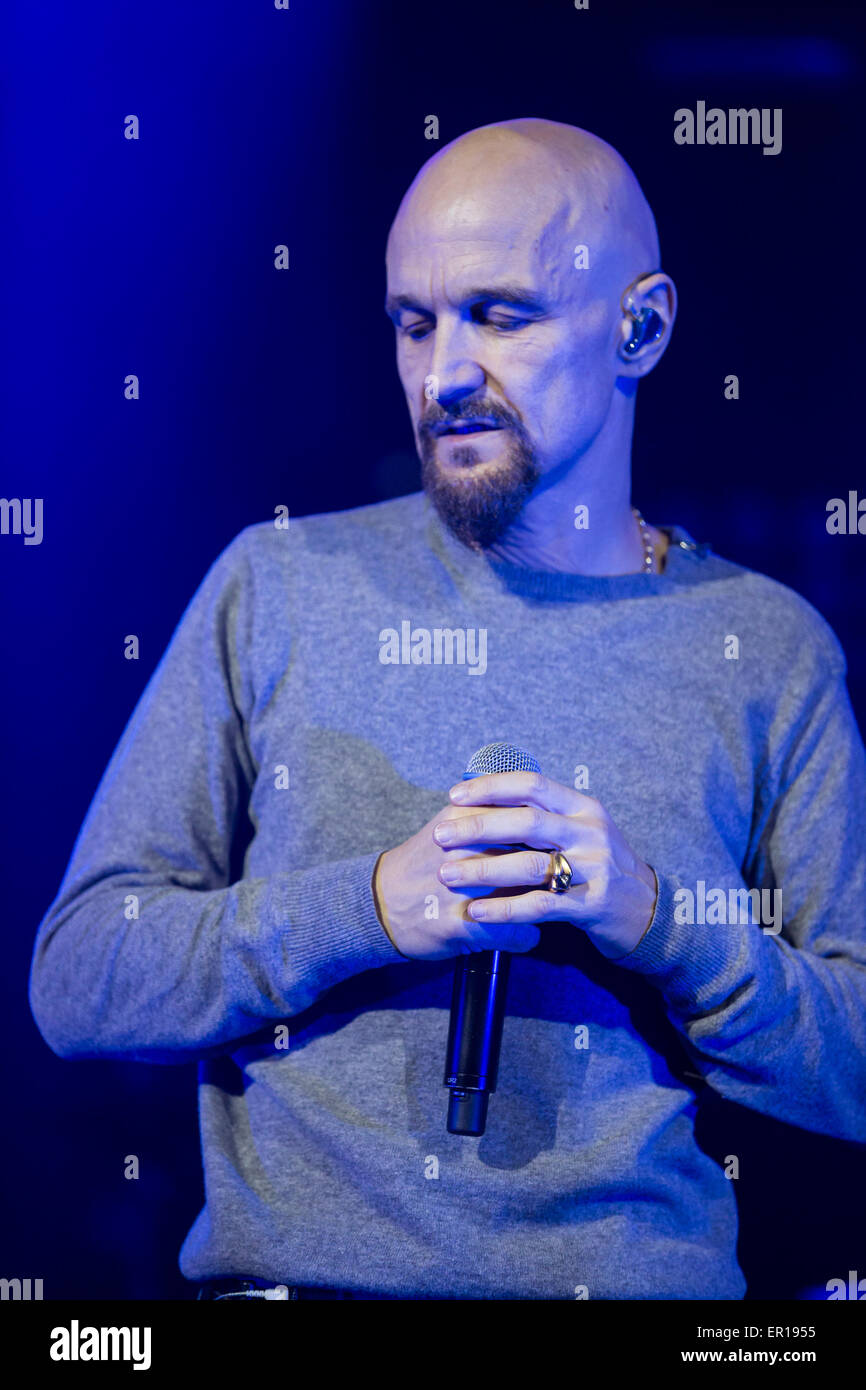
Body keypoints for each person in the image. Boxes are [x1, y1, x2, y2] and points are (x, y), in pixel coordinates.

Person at [29, 118, 866, 1301]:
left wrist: (661, 923)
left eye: (500, 314)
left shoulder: (765, 647)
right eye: (413, 323)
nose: (443, 374)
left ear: (639, 327)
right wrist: (370, 902)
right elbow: (79, 977)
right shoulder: (275, 587)